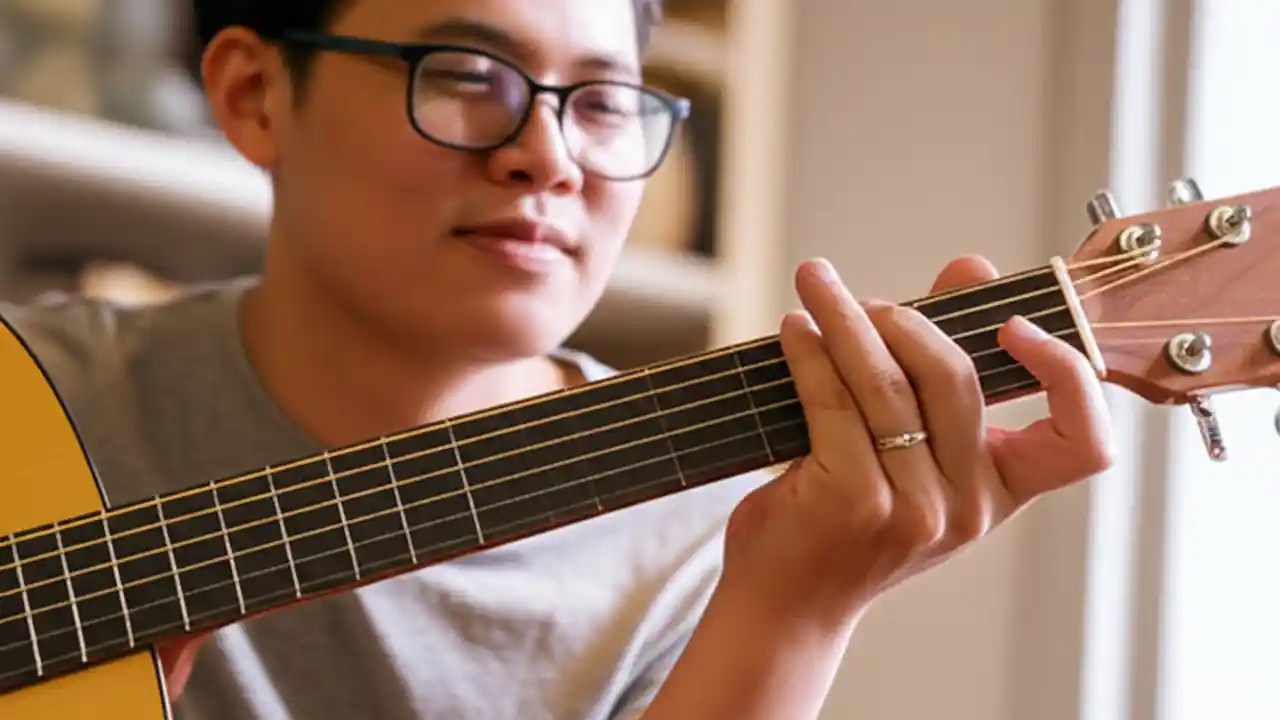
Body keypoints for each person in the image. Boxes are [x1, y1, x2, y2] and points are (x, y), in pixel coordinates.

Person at [0, 0, 1114, 717]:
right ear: (253, 95)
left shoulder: (726, 547)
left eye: (604, 101)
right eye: (460, 72)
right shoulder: (42, 396)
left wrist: (797, 614)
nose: (546, 154)